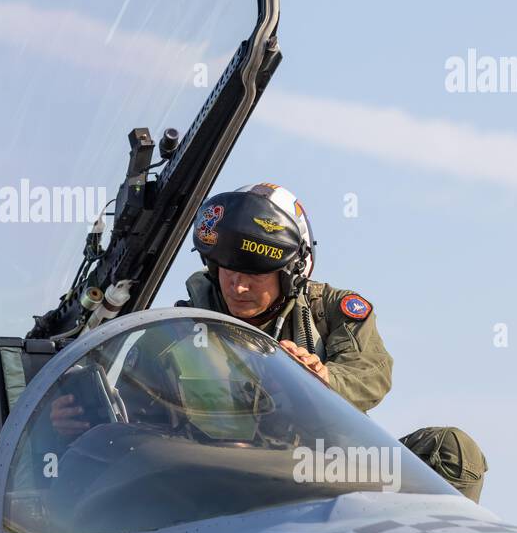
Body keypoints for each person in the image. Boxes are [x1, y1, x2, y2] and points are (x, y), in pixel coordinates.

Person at [177, 183, 488, 503]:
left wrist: (322, 379)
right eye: (229, 269)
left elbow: (371, 374)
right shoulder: (179, 333)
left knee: (452, 451)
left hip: (325, 470)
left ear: (290, 271)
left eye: (254, 272)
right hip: (225, 479)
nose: (238, 287)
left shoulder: (330, 311)